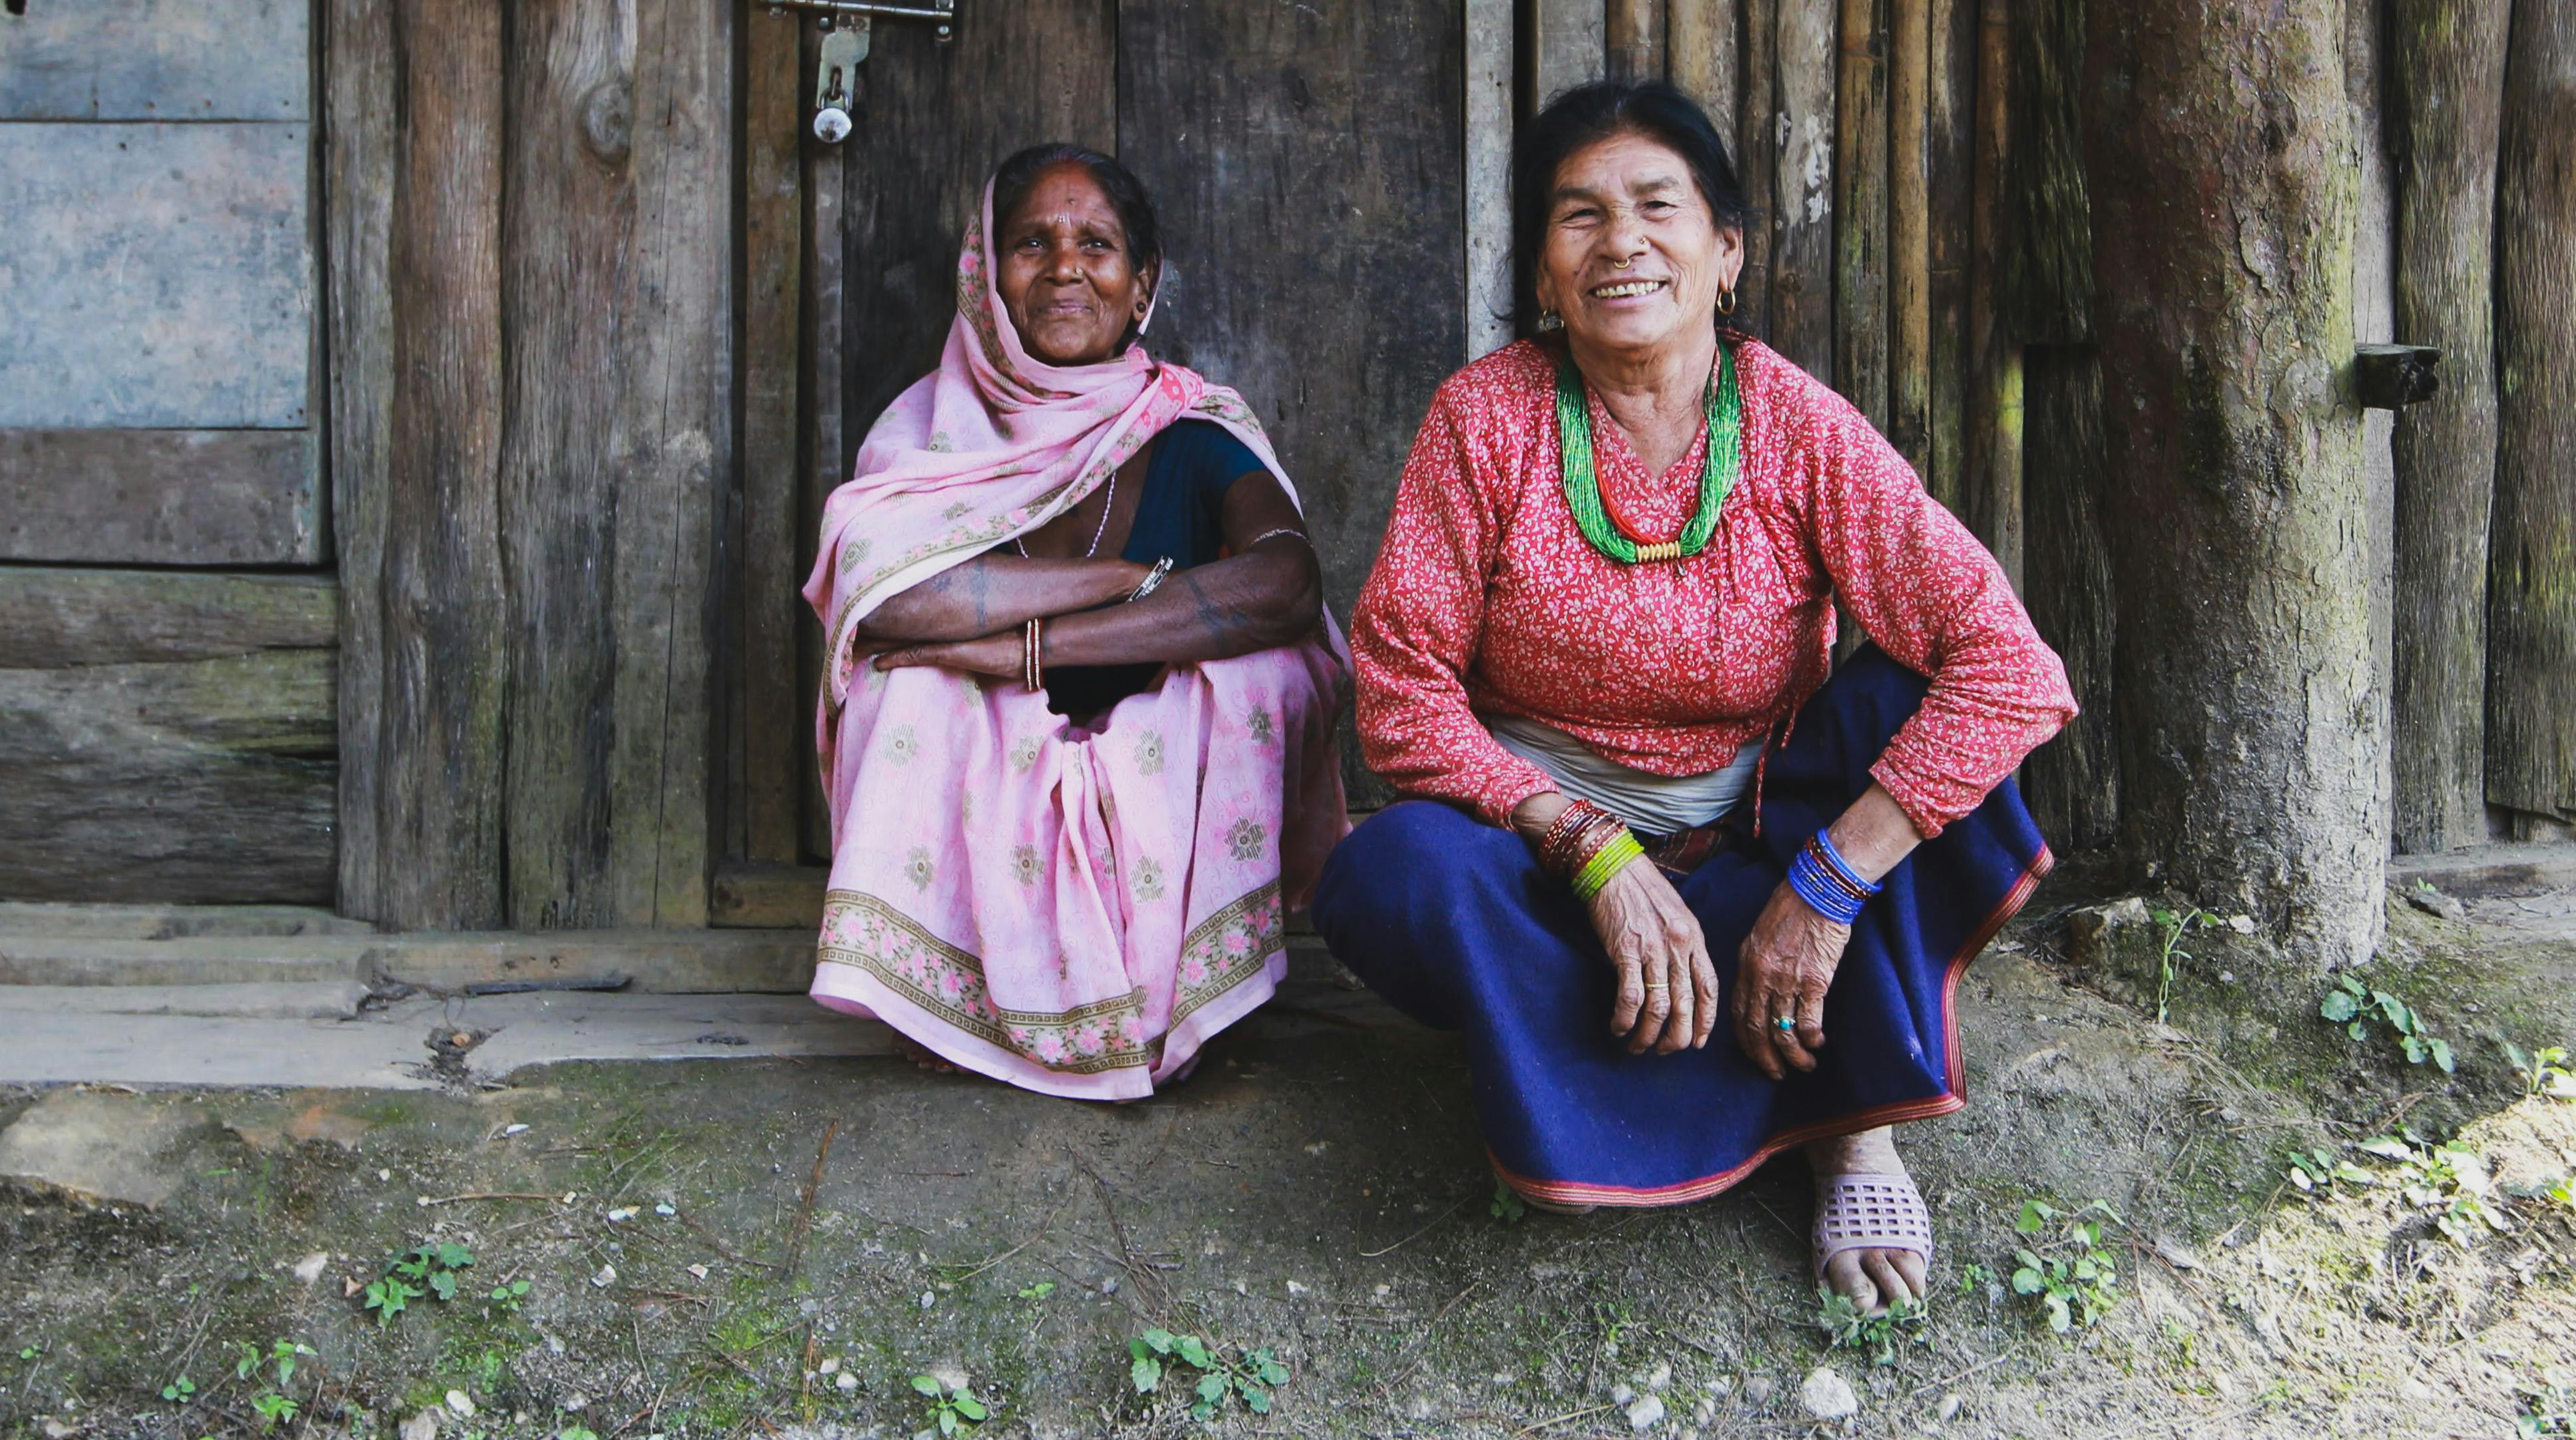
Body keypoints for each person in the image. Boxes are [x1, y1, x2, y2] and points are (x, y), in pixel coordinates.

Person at [1314, 80, 2075, 1309]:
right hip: (1547, 859)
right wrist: (1593, 856)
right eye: (1579, 217)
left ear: (1724, 253)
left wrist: (1824, 888)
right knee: (1392, 873)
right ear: (1546, 273)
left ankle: (1852, 1123)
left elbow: (2009, 665)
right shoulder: (1485, 418)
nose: (1619, 241)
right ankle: (1624, 1037)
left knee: (1906, 708)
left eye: (1655, 207)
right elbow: (1401, 695)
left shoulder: (1793, 425)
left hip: (1763, 844)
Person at [802, 144, 1351, 1100]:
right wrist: (1124, 579)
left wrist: (1019, 647)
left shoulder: (1192, 429)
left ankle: (1178, 993)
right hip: (985, 737)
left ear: (1140, 288)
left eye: (1095, 244)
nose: (1063, 267)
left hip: (1156, 732)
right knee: (899, 682)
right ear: (986, 280)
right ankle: (949, 998)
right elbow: (885, 605)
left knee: (1272, 668)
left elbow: (1284, 585)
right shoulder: (927, 435)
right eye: (1030, 244)